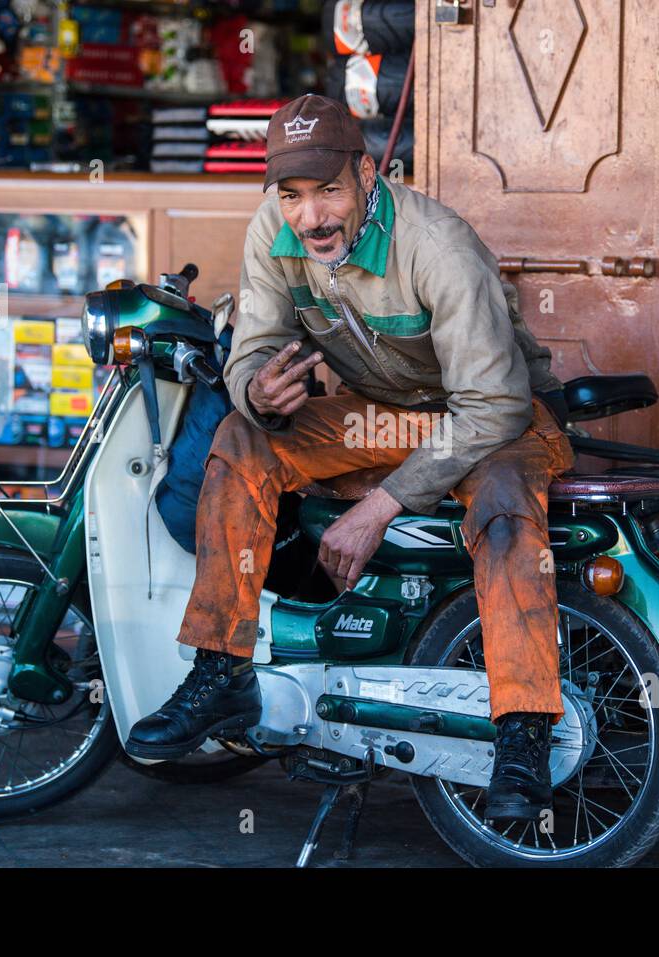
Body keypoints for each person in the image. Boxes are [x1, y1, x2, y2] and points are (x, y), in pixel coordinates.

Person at [125, 94, 575, 821]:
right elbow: (252, 353)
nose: (312, 216)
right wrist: (259, 392)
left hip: (501, 421)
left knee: (503, 515)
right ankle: (223, 669)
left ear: (366, 174)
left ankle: (523, 736)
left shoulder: (436, 245)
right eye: (293, 195)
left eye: (329, 189)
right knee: (241, 440)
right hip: (390, 421)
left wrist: (378, 506)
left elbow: (494, 404)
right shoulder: (275, 231)